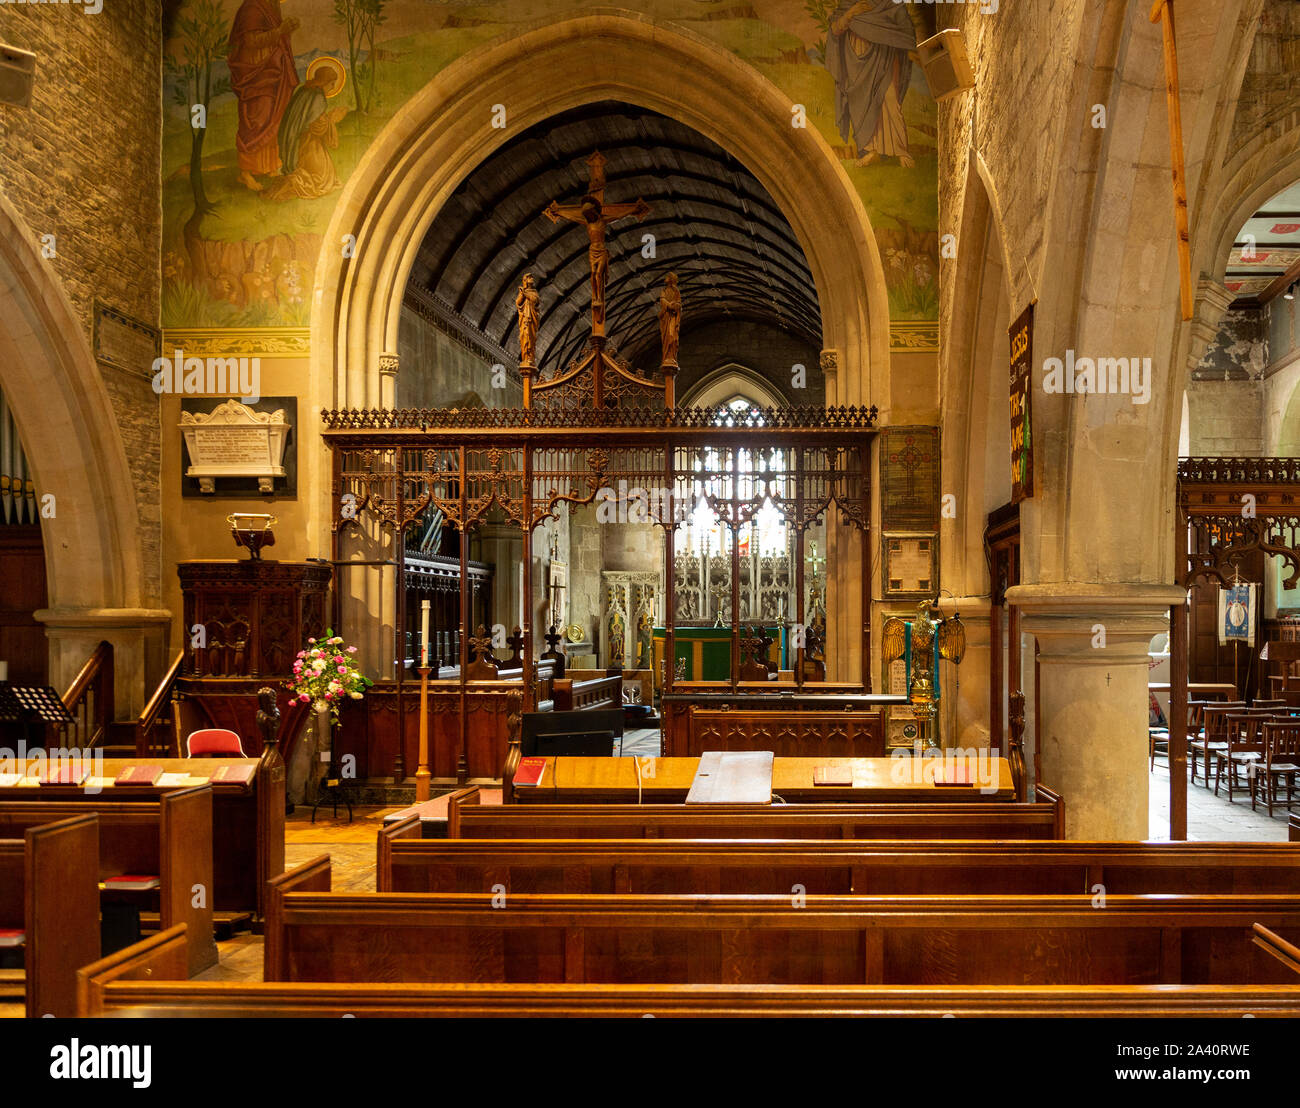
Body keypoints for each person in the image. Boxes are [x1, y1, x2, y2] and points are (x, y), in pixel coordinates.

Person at [825, 1, 917, 168]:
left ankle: (901, 149)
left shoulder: (889, 3)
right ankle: (871, 151)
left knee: (890, 99)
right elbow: (834, 29)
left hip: (884, 56)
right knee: (862, 105)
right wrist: (850, 13)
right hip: (855, 60)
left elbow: (904, 26)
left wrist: (909, 47)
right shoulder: (848, 2)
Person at [228, 0, 301, 191]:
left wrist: (286, 29)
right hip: (255, 74)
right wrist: (280, 30)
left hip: (272, 71)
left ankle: (269, 166)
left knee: (273, 116)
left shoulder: (271, 7)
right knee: (257, 120)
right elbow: (251, 42)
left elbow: (274, 38)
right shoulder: (251, 8)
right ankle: (245, 173)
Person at [265, 59, 348, 202]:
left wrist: (327, 119)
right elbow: (316, 128)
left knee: (326, 176)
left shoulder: (305, 91)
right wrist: (333, 120)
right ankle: (291, 184)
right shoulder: (318, 97)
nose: (333, 86)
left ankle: (290, 181)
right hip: (307, 143)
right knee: (322, 179)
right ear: (324, 81)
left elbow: (306, 120)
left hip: (295, 140)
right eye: (331, 82)